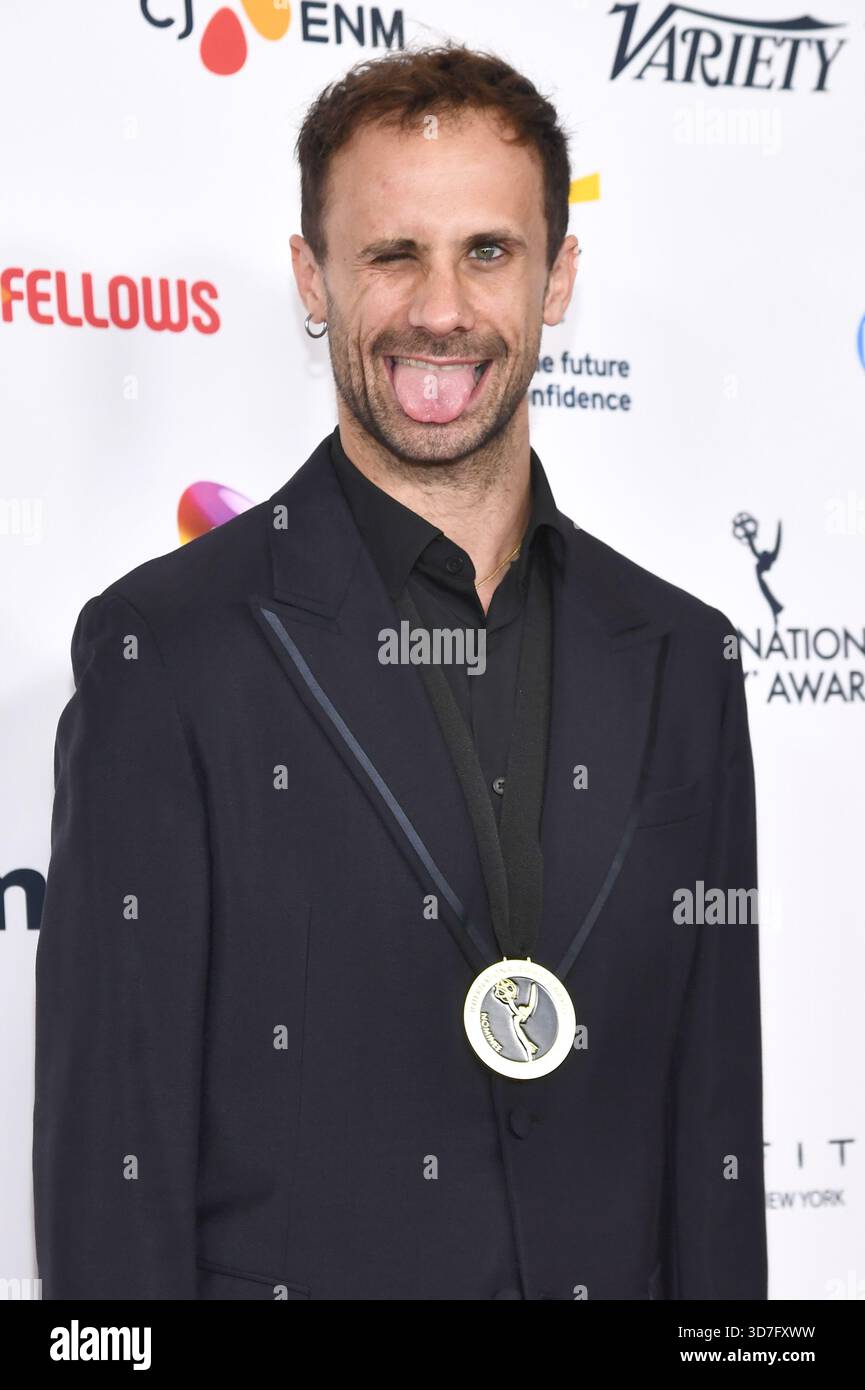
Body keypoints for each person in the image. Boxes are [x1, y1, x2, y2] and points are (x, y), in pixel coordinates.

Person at [33, 43, 767, 1300]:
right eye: (392, 254)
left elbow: (714, 1156)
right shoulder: (169, 653)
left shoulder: (680, 661)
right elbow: (116, 1175)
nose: (442, 307)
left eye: (488, 250)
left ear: (558, 279)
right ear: (313, 280)